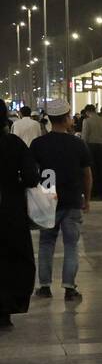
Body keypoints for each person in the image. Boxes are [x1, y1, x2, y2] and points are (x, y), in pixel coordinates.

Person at [30, 99, 93, 302]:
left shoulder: (38, 144)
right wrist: (87, 199)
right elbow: (87, 175)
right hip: (73, 201)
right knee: (71, 245)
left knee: (46, 244)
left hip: (49, 202)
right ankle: (69, 288)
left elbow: (32, 174)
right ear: (66, 118)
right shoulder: (78, 144)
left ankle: (45, 286)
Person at [0, 111, 40, 326]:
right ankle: (6, 307)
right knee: (12, 258)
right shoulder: (13, 144)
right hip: (10, 210)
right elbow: (31, 177)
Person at [80, 101, 102, 199]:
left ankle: (92, 193)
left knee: (91, 170)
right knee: (101, 170)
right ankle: (101, 193)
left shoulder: (86, 121)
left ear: (87, 112)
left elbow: (84, 137)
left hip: (90, 147)